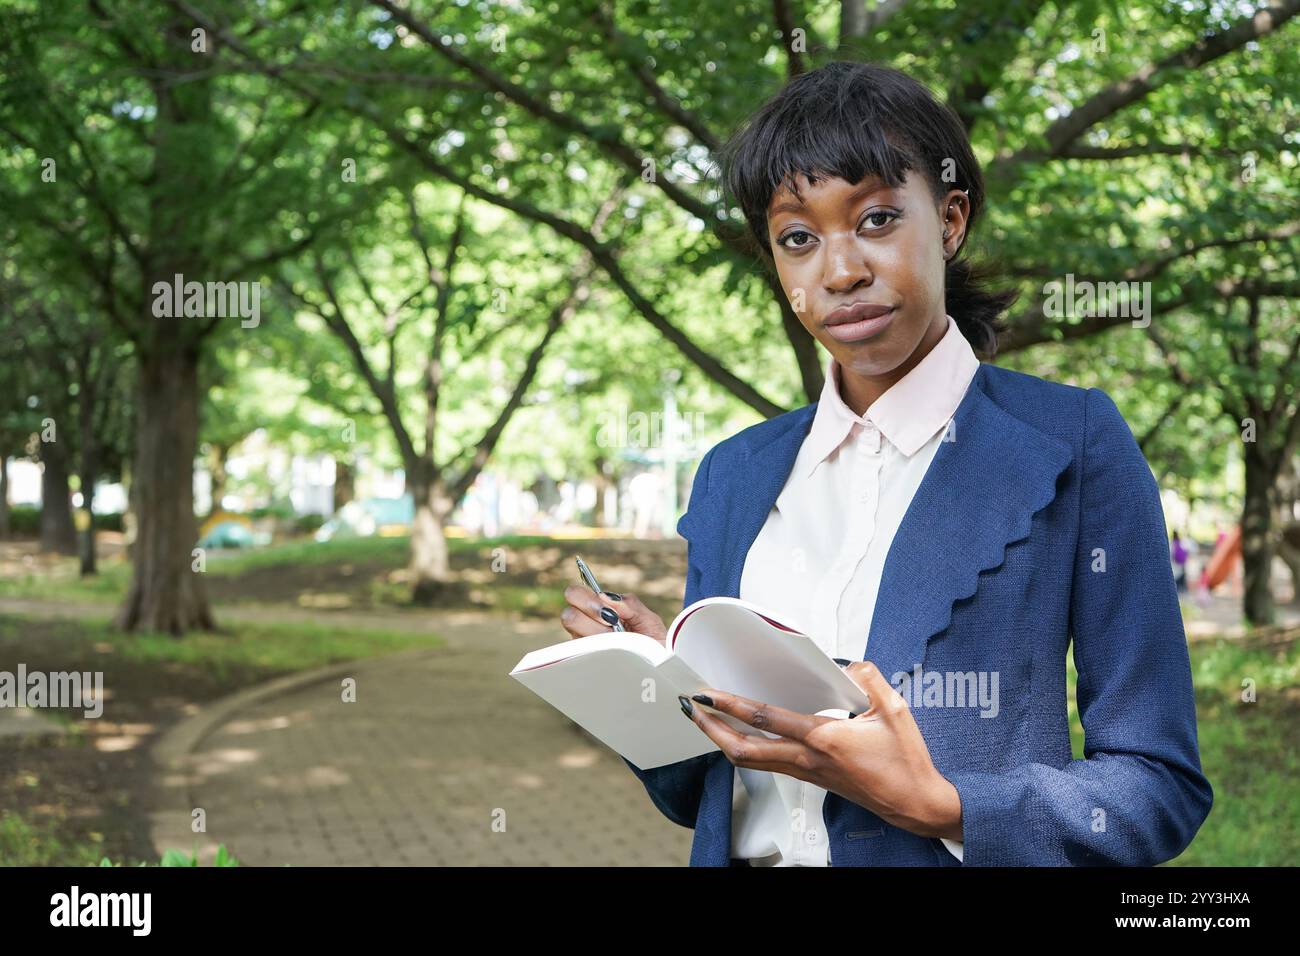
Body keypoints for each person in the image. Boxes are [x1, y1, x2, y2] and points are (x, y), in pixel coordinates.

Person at [559, 62, 1212, 867]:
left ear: (951, 219)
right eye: (798, 238)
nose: (840, 272)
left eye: (875, 219)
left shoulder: (1072, 442)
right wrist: (658, 684)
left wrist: (944, 807)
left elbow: (1157, 786)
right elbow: (702, 796)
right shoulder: (734, 473)